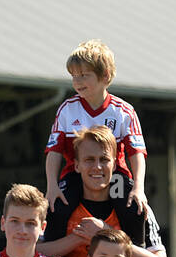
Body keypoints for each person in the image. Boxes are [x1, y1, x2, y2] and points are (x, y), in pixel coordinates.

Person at [39, 126, 168, 257]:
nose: (97, 167)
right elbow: (26, 256)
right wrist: (78, 238)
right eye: (89, 160)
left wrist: (106, 234)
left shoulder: (136, 206)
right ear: (76, 165)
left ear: (114, 164)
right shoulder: (56, 205)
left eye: (104, 159)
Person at [44, 39, 146, 215]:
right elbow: (54, 152)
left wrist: (138, 187)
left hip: (114, 177)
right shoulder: (67, 110)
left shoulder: (124, 112)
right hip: (76, 174)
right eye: (74, 76)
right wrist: (51, 186)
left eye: (84, 75)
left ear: (105, 75)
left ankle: (139, 244)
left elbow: (136, 153)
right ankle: (50, 243)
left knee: (133, 208)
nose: (77, 81)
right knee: (57, 208)